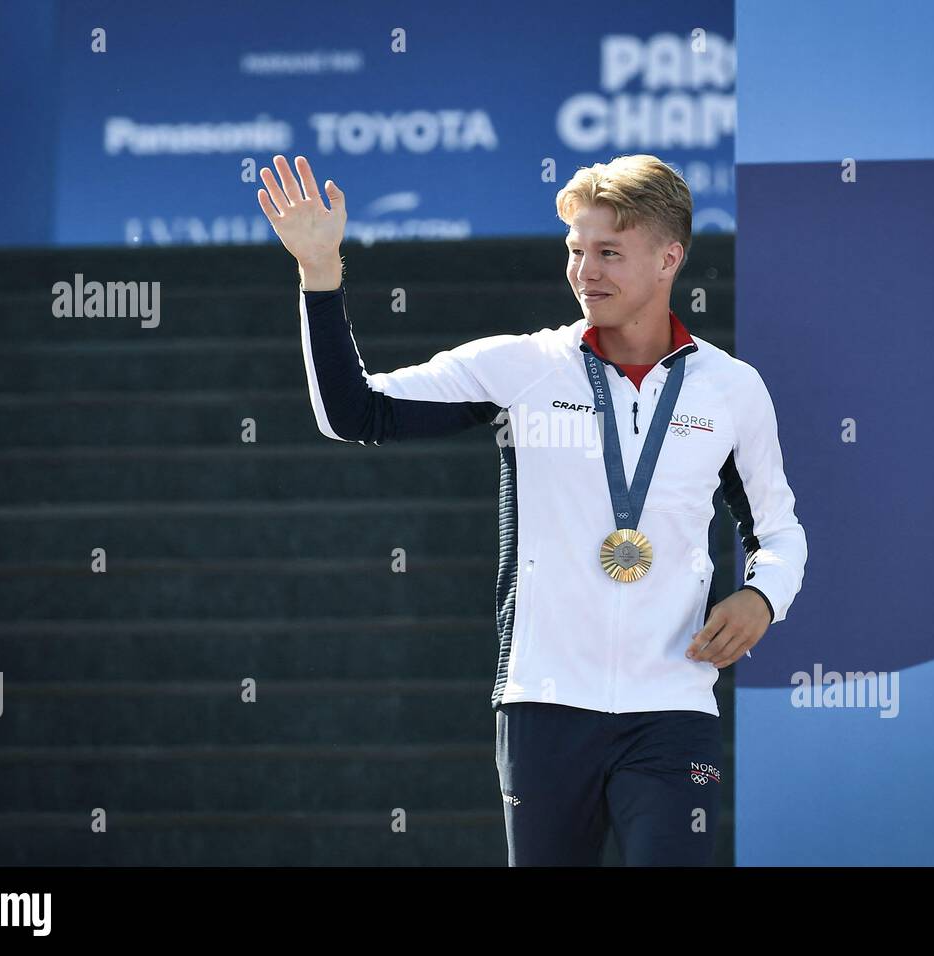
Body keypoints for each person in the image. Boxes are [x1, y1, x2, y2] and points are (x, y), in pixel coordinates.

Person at [257, 153, 807, 866]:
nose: (586, 271)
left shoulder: (731, 389)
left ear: (670, 257)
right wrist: (319, 274)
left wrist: (763, 598)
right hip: (545, 707)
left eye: (609, 252)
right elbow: (354, 411)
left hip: (673, 709)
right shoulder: (526, 367)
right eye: (576, 251)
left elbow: (778, 530)